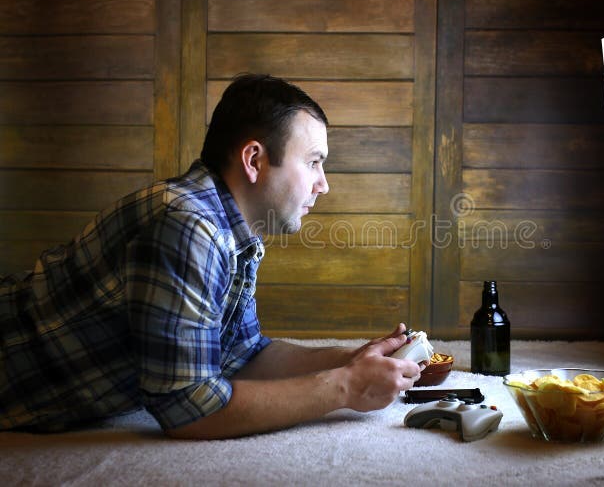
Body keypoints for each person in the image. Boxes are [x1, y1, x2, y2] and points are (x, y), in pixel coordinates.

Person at [0, 74, 422, 439]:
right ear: (254, 160)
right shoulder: (187, 224)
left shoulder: (232, 229)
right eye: (313, 162)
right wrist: (343, 387)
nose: (323, 185)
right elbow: (188, 409)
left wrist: (355, 359)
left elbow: (244, 354)